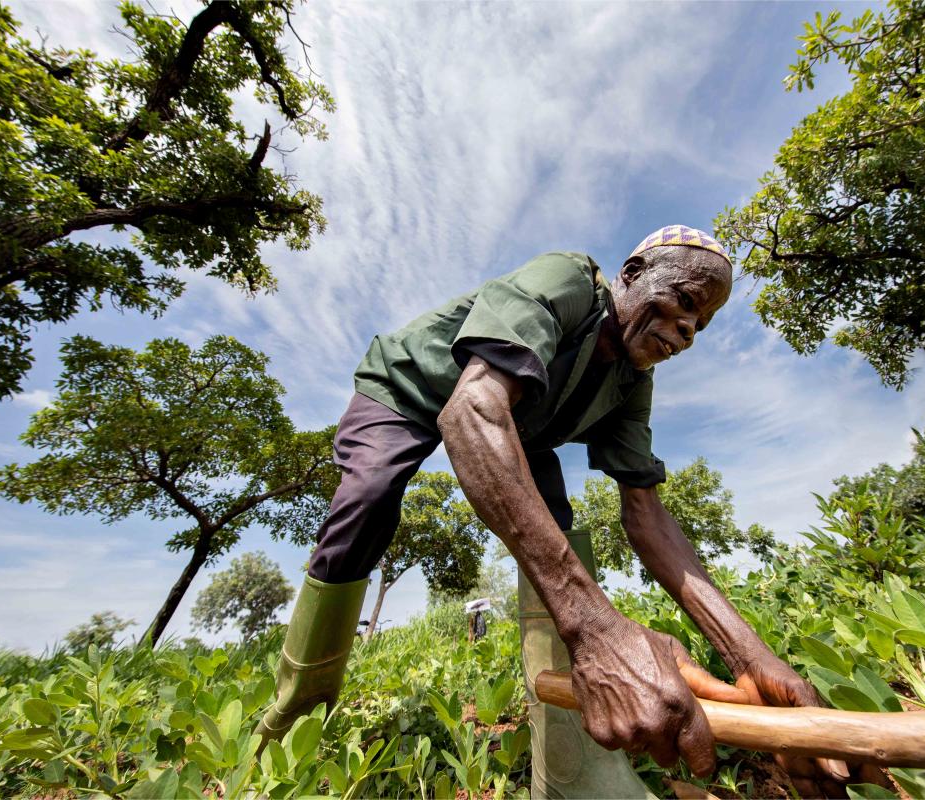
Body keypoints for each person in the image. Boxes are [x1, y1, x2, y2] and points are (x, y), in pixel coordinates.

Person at [255, 226, 872, 797]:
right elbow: (471, 413)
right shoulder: (568, 283)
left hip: (516, 424)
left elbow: (647, 515)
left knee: (562, 539)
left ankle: (573, 771)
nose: (686, 330)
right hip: (416, 388)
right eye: (684, 301)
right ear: (632, 273)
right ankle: (295, 718)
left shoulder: (632, 380)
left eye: (700, 325)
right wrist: (598, 630)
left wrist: (751, 658)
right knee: (368, 498)